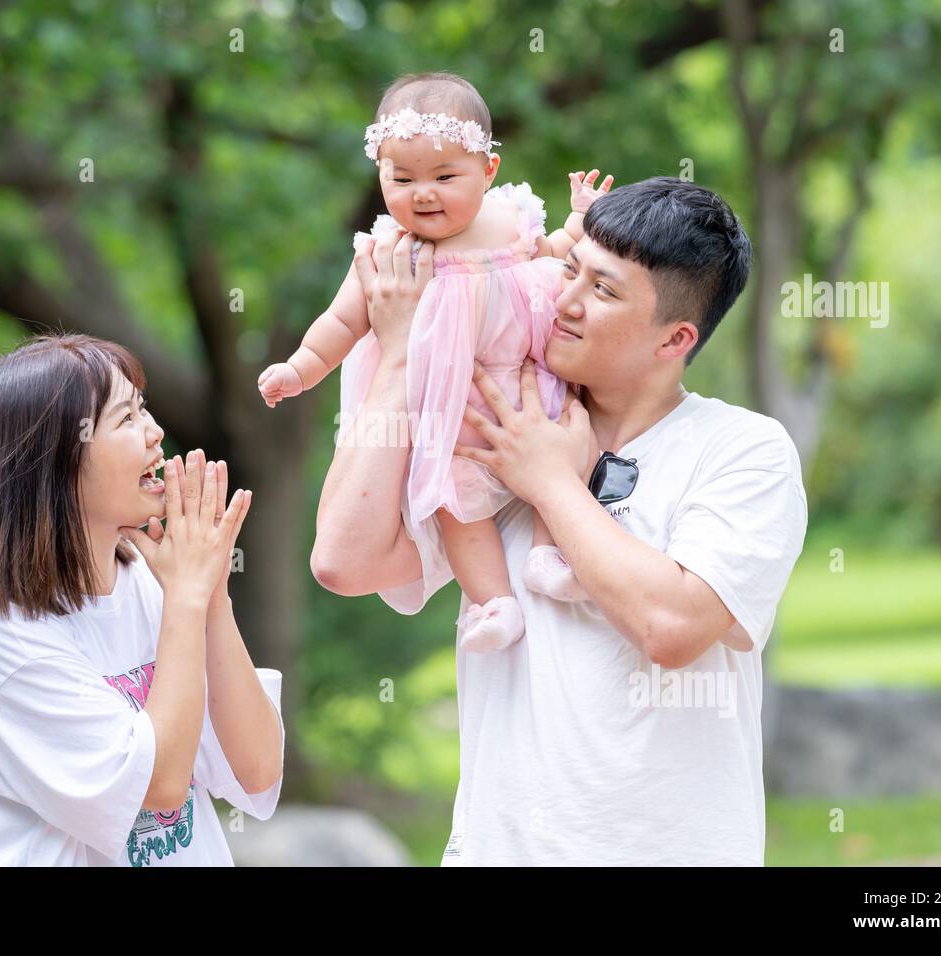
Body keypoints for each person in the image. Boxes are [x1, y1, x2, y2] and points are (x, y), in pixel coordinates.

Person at [312, 177, 808, 865]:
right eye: (568, 270)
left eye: (602, 290)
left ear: (676, 339)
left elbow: (673, 627)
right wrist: (399, 357)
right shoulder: (497, 426)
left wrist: (549, 482)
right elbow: (344, 559)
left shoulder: (742, 450)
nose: (563, 300)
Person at [258, 70, 611, 652]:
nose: (423, 193)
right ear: (380, 174)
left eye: (445, 177)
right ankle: (494, 604)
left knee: (566, 454)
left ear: (488, 171)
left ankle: (551, 556)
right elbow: (342, 322)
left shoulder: (511, 218)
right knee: (453, 502)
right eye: (402, 178)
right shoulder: (386, 250)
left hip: (529, 385)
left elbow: (553, 253)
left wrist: (579, 220)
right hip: (453, 420)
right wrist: (299, 368)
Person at [0, 334, 283, 866]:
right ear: (55, 463)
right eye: (125, 420)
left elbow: (256, 764)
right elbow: (159, 784)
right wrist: (186, 600)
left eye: (144, 409)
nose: (156, 433)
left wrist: (209, 598)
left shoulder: (150, 580)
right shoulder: (2, 635)